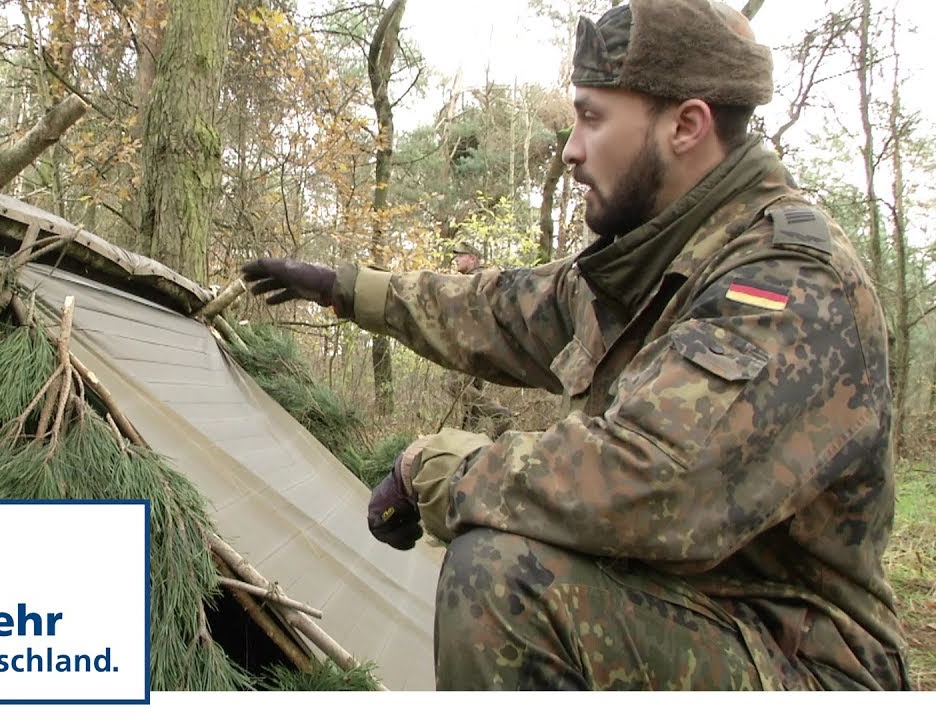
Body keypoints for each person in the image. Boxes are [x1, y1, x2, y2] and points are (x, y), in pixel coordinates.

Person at [242, 0, 911, 690]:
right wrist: (343, 286)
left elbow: (651, 481)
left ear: (686, 126)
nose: (570, 148)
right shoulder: (651, 261)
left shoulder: (787, 282)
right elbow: (497, 309)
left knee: (504, 578)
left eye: (592, 118)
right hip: (683, 612)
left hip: (799, 661)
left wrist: (439, 466)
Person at [441, 240, 512, 434]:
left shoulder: (476, 280)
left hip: (472, 343)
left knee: (455, 385)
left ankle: (499, 414)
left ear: (472, 259)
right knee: (471, 396)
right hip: (483, 344)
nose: (456, 258)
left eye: (461, 255)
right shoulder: (485, 278)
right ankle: (471, 440)